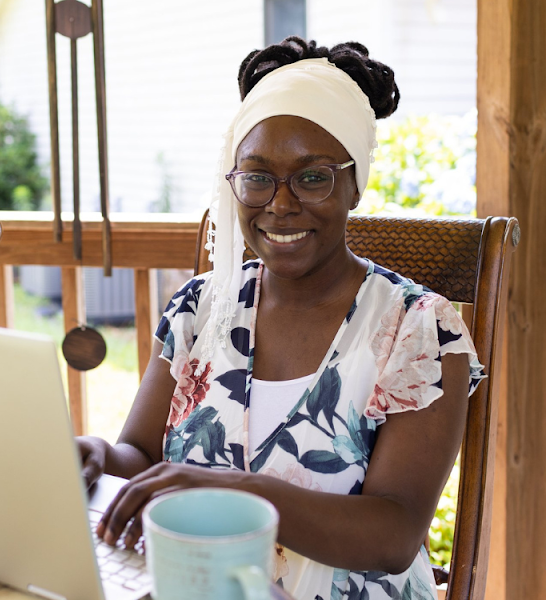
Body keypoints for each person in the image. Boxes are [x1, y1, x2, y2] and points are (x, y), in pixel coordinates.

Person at [76, 38, 484, 599]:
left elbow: (395, 532)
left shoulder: (419, 331)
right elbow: (143, 458)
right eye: (257, 177)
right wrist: (100, 456)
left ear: (355, 186)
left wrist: (232, 491)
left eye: (313, 177)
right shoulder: (200, 309)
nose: (281, 204)